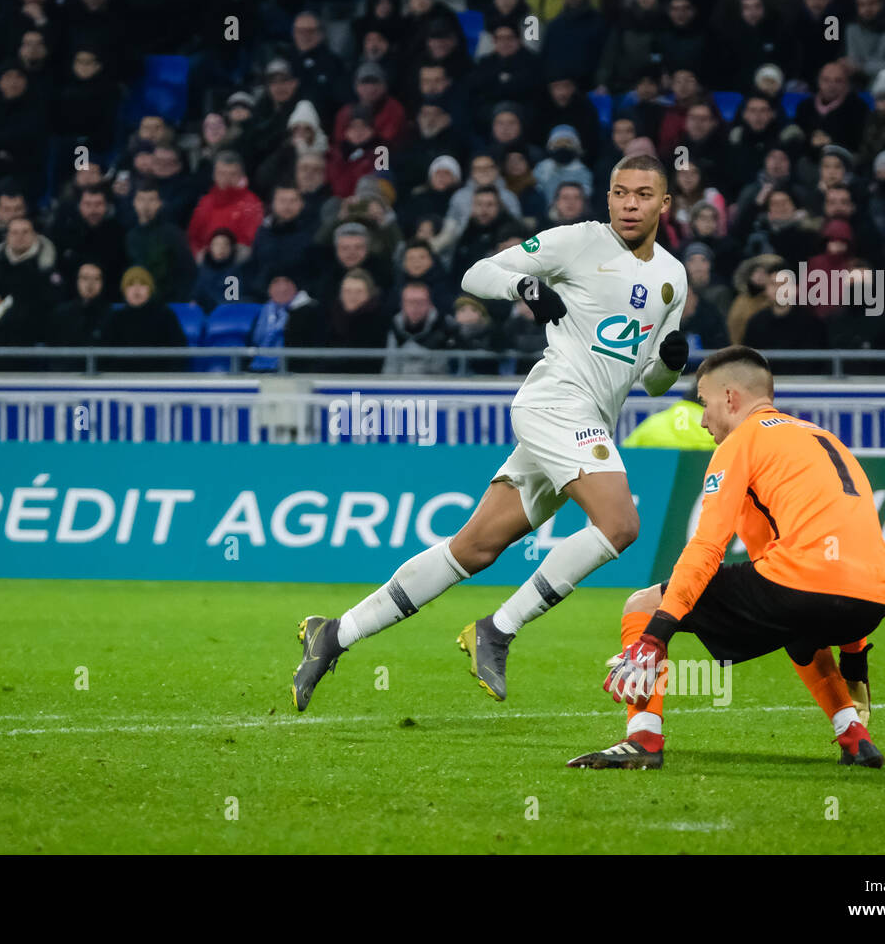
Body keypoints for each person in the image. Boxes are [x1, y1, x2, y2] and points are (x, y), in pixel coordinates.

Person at [291, 154, 689, 710]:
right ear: (608, 197)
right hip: (555, 402)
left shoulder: (673, 275)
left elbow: (651, 384)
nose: (629, 203)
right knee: (620, 524)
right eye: (620, 192)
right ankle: (497, 630)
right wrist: (526, 287)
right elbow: (475, 273)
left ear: (664, 204)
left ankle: (333, 634)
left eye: (643, 195)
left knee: (473, 549)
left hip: (589, 419)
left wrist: (671, 362)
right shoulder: (579, 241)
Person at [569, 346, 885, 770]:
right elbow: (843, 556)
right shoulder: (824, 439)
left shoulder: (743, 441)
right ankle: (854, 736)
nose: (703, 419)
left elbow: (706, 548)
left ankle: (643, 739)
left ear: (730, 399)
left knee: (641, 605)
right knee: (800, 627)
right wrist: (854, 652)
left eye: (704, 404)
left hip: (804, 584)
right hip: (871, 601)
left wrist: (656, 634)